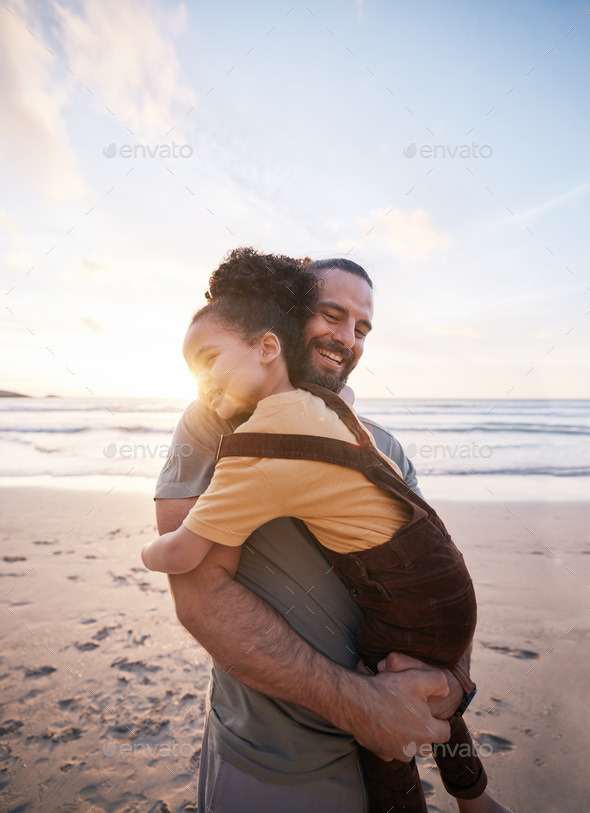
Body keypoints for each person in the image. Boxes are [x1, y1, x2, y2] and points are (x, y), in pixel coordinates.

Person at [150, 249, 507, 812]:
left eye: (362, 327)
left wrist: (454, 683)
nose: (349, 337)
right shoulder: (214, 422)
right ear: (284, 321)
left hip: (382, 753)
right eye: (332, 314)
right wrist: (362, 706)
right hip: (269, 763)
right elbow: (198, 596)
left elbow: (434, 576)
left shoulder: (381, 446)